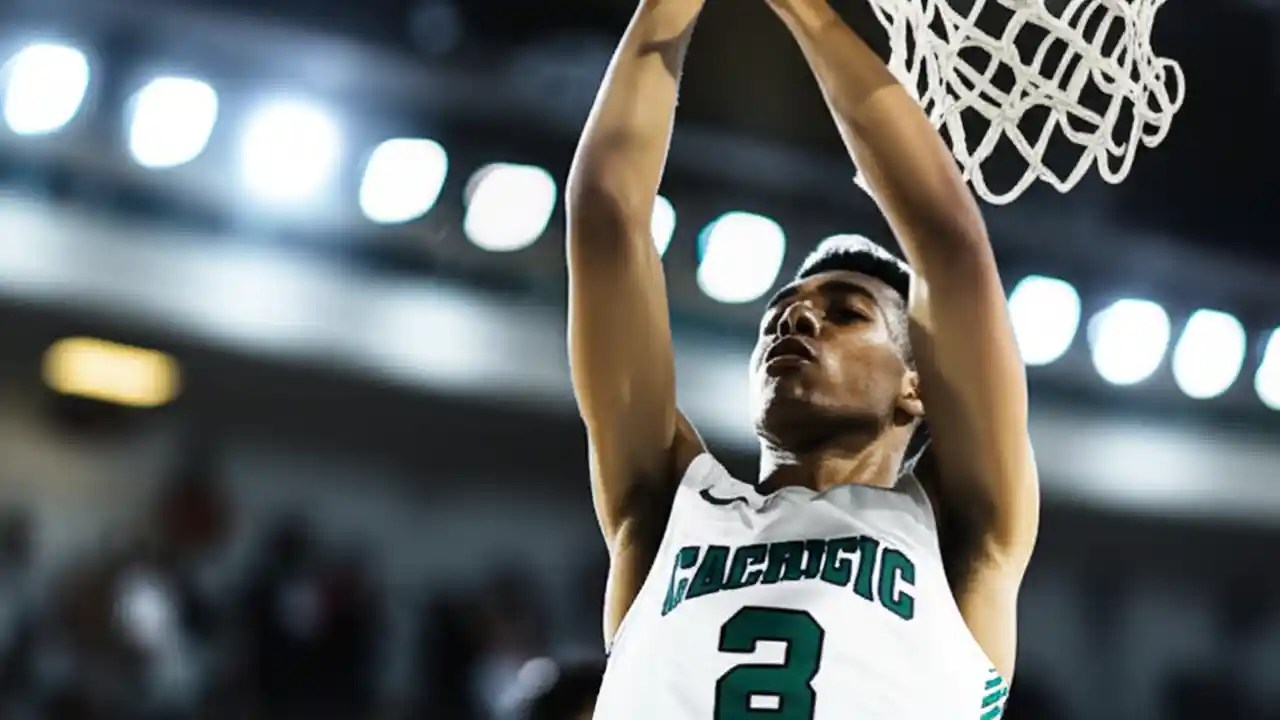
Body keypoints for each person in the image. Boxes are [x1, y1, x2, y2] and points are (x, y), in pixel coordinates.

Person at [564, 0, 1040, 716]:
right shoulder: (667, 506)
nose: (798, 320)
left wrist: (811, 15)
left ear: (916, 388)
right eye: (780, 316)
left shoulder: (958, 529)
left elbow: (950, 243)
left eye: (846, 313)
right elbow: (606, 212)